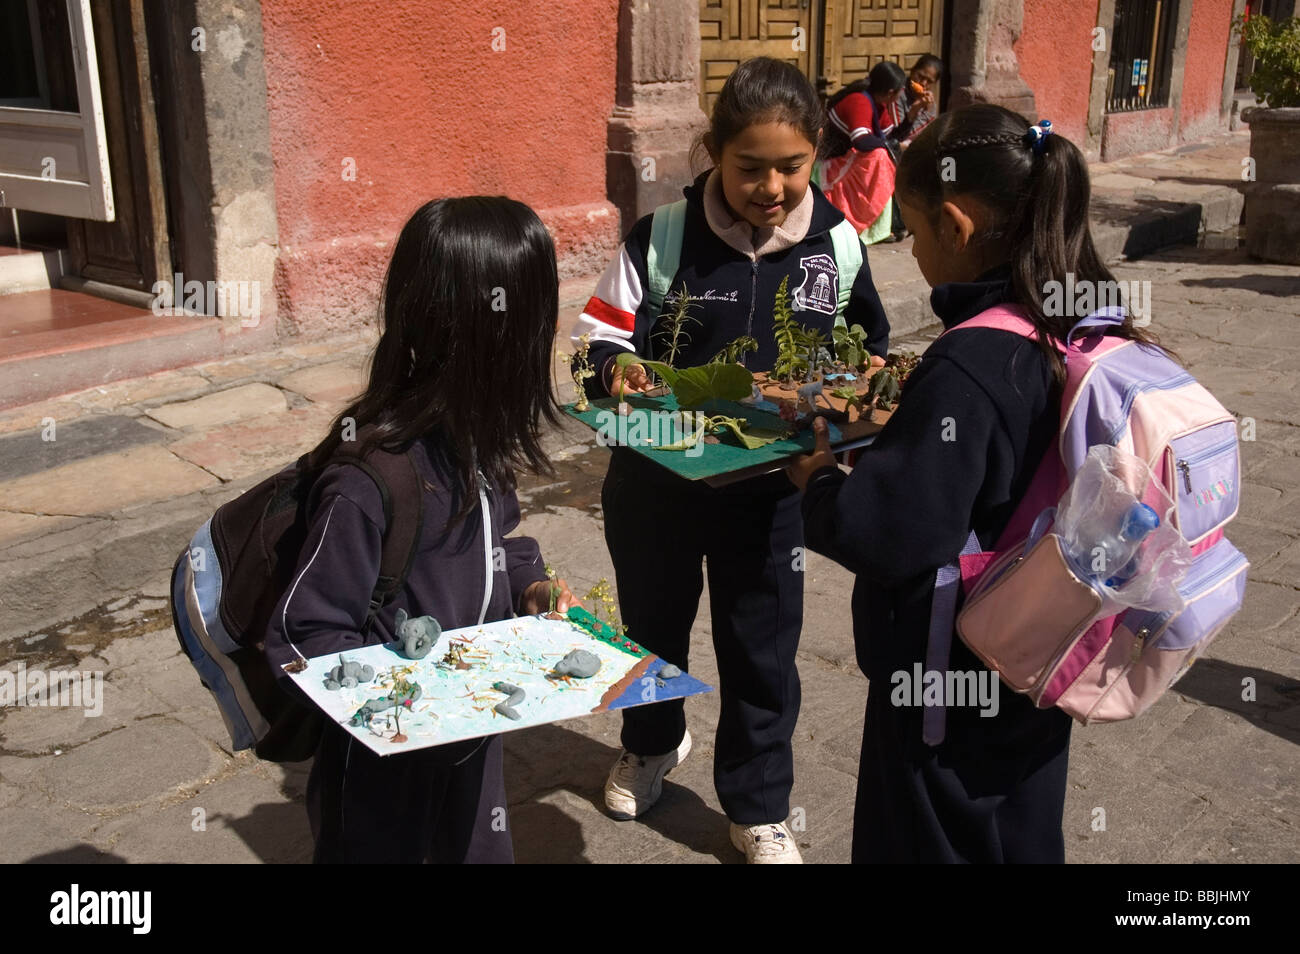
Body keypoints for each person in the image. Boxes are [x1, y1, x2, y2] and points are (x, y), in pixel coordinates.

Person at [786, 104, 1166, 863]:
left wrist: (820, 480)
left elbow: (889, 533)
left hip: (944, 689)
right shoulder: (1086, 322)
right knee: (1017, 835)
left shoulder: (968, 366)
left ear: (957, 227)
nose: (916, 249)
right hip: (1041, 660)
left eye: (918, 231)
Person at [571, 57, 890, 863]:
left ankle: (757, 803)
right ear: (714, 150)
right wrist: (619, 370)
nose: (772, 187)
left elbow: (873, 353)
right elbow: (595, 342)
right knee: (650, 630)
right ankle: (651, 743)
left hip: (769, 497)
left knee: (762, 647)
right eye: (750, 168)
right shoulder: (664, 238)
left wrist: (850, 402)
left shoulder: (839, 247)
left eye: (791, 166)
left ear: (817, 150)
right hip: (654, 488)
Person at [263, 197, 578, 864]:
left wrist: (533, 588)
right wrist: (407, 703)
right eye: (536, 322)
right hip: (384, 779)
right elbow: (302, 634)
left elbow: (505, 543)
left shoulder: (476, 444)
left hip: (473, 751)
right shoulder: (370, 480)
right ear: (498, 336)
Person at [816, 61, 916, 245]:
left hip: (848, 158)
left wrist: (911, 116)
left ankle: (885, 224)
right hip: (831, 161)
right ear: (890, 93)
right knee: (880, 157)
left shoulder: (879, 105)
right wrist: (893, 146)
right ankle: (873, 224)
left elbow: (890, 136)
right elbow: (862, 141)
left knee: (885, 154)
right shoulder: (859, 101)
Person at [884, 54, 943, 240]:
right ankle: (896, 222)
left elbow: (926, 130)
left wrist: (923, 109)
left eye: (928, 81)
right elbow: (895, 133)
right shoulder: (898, 94)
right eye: (920, 76)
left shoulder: (929, 102)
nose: (922, 82)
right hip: (891, 146)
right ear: (912, 71)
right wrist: (914, 110)